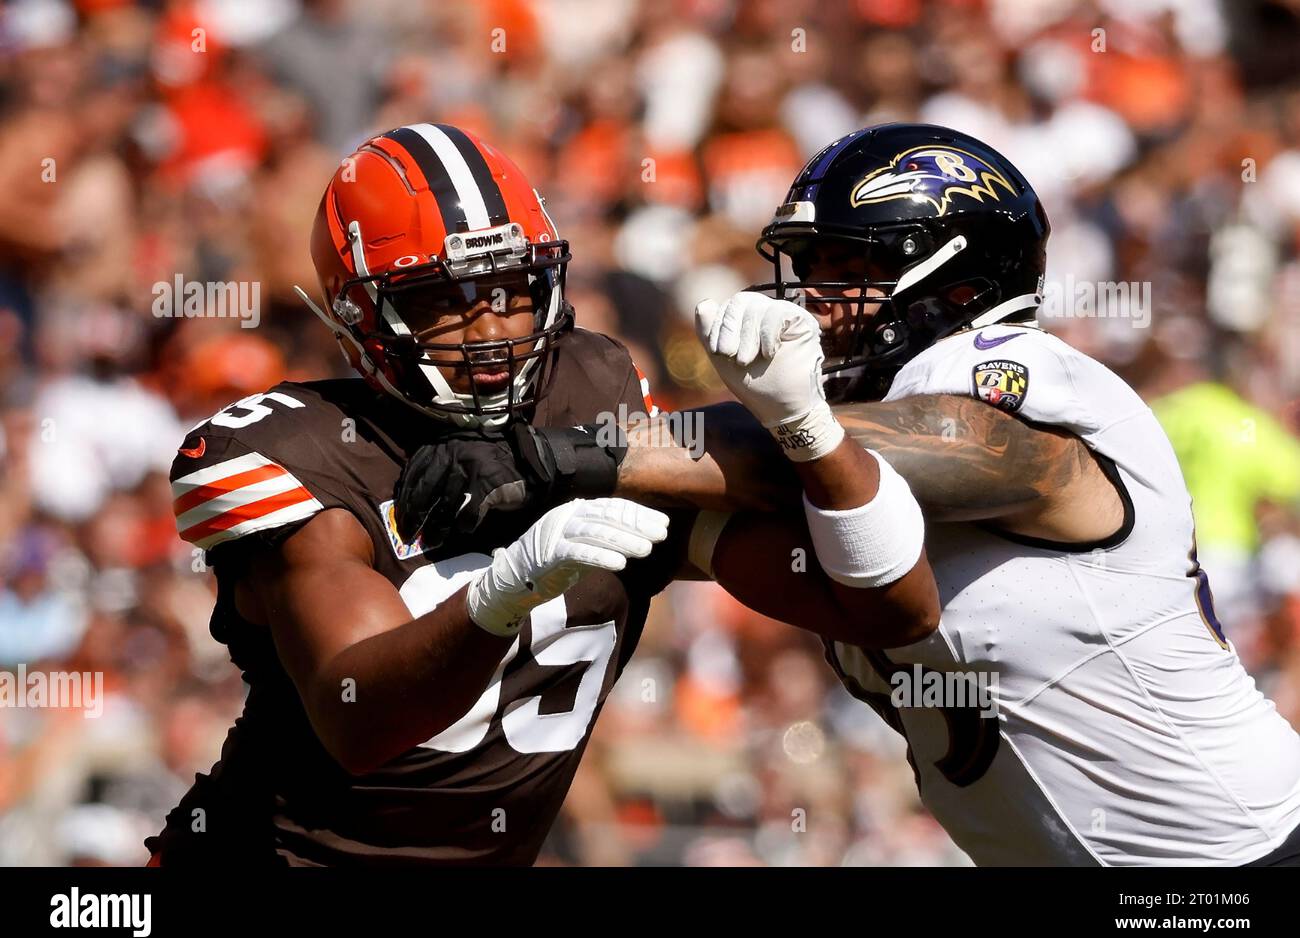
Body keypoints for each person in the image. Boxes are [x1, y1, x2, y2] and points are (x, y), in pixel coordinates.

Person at [404, 124, 1300, 865]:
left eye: (844, 266)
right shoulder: (833, 434)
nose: (814, 298)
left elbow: (947, 444)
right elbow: (734, 499)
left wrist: (570, 453)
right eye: (809, 264)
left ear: (956, 285)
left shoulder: (1013, 377)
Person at [147, 123, 937, 866]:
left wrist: (802, 424)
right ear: (361, 313)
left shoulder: (584, 395)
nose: (489, 328)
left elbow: (887, 608)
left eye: (511, 288)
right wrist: (502, 592)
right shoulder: (301, 450)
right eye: (442, 298)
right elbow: (359, 715)